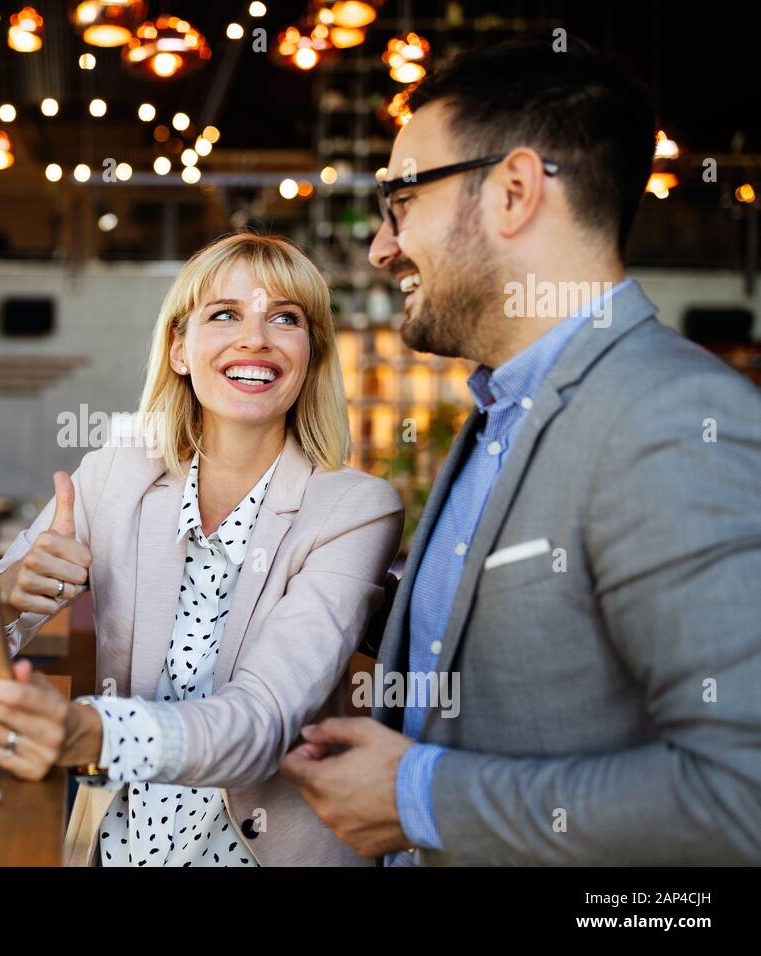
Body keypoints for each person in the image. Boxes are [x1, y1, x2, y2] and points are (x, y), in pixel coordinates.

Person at [279, 36, 761, 865]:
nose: (380, 247)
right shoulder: (499, 408)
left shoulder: (674, 418)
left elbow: (737, 797)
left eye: (400, 199)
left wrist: (419, 797)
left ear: (513, 192)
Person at [0, 232, 403, 866]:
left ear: (310, 356)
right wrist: (7, 591)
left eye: (284, 319)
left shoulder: (355, 509)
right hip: (117, 844)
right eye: (224, 315)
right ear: (179, 350)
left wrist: (90, 731)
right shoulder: (112, 475)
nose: (255, 339)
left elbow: (263, 722)